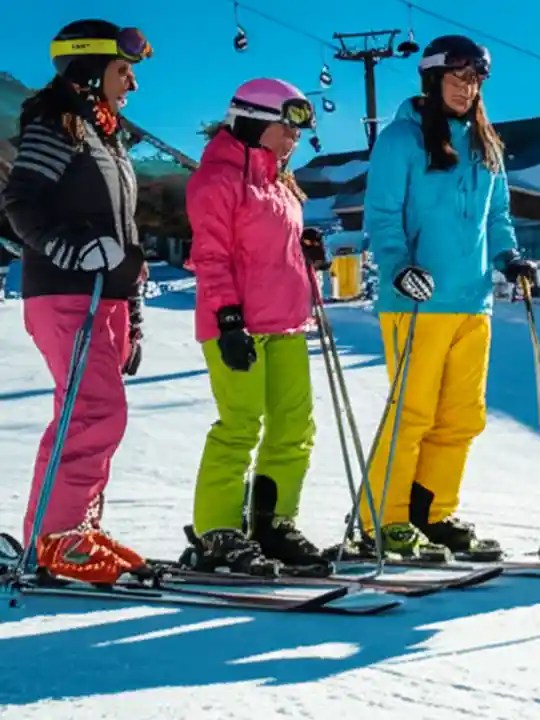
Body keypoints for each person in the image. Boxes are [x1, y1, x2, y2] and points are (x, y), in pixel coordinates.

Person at [358, 34, 540, 559]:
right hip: (416, 299)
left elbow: (498, 217)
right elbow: (383, 217)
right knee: (411, 413)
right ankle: (381, 521)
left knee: (462, 416)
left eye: (475, 80)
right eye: (457, 78)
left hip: (472, 300)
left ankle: (430, 514)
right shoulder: (400, 141)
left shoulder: (486, 145)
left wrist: (510, 259)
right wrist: (398, 269)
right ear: (433, 79)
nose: (467, 89)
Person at [1, 19, 152, 584]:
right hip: (67, 291)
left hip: (103, 297)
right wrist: (69, 247)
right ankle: (61, 539)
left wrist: (132, 314)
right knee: (92, 413)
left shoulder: (103, 134)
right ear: (89, 70)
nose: (131, 84)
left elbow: (124, 232)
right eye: (122, 69)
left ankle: (67, 531)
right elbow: (21, 204)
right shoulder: (55, 126)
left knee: (92, 416)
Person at [184, 78, 329, 577]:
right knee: (240, 426)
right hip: (236, 325)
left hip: (286, 321)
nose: (292, 140)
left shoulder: (280, 184)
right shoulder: (217, 180)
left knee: (294, 427)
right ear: (252, 120)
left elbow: (269, 248)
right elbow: (211, 255)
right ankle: (218, 533)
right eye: (284, 129)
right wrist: (228, 320)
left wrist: (303, 248)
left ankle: (271, 523)